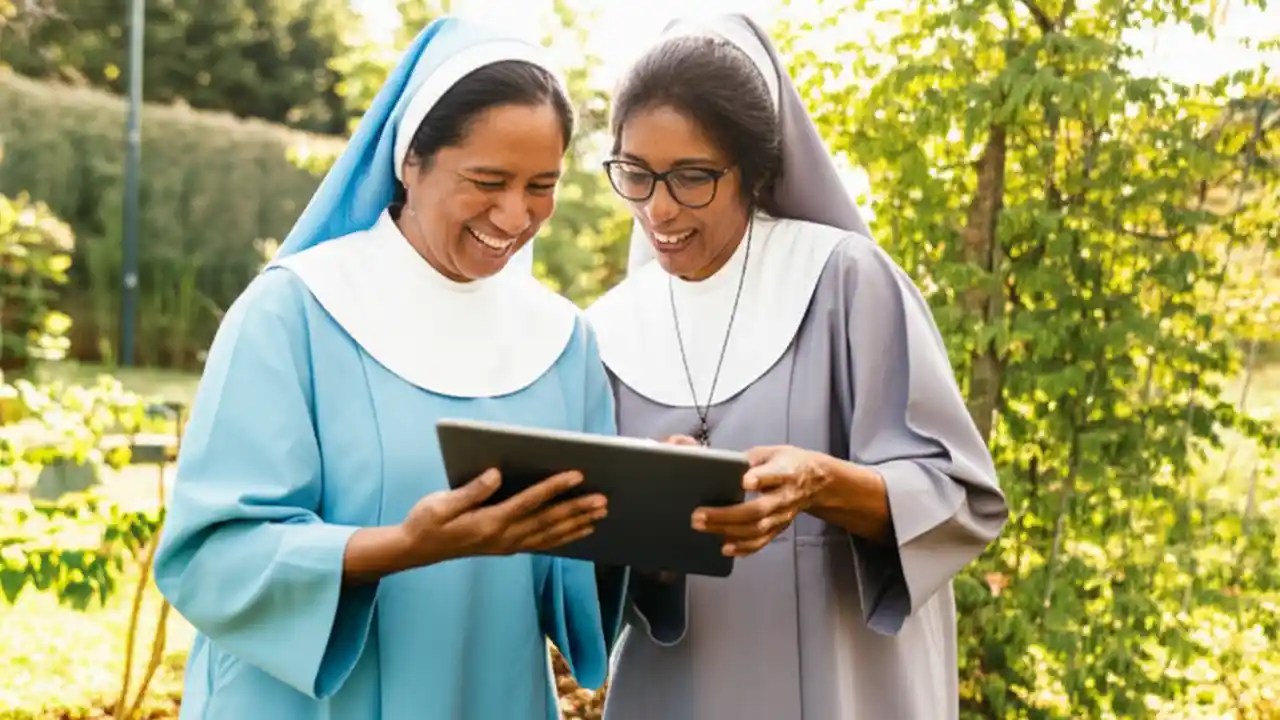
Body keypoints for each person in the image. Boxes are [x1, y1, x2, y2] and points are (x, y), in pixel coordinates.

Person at [153, 17, 627, 720]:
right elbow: (212, 553)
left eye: (541, 185)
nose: (515, 215)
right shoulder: (295, 313)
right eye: (488, 180)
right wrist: (401, 547)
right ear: (411, 161)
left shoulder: (561, 341)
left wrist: (657, 509)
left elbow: (577, 568)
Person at [586, 13, 1009, 720]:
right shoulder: (606, 332)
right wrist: (654, 522)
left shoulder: (845, 283)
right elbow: (592, 577)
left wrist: (821, 482)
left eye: (692, 177)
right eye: (635, 174)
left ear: (755, 170)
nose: (658, 209)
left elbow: (958, 496)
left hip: (848, 689)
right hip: (677, 691)